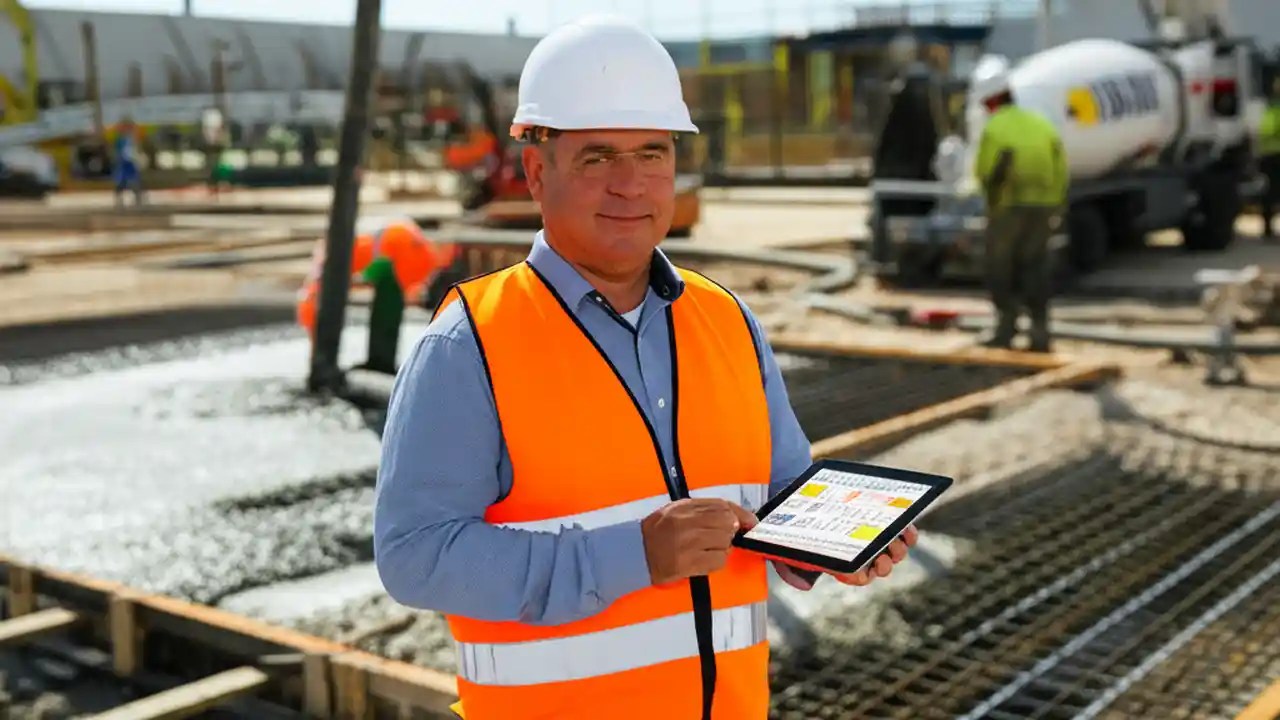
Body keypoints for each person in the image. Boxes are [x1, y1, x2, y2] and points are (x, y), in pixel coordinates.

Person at [373, 14, 918, 720]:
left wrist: (829, 547)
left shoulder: (727, 320)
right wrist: (635, 555)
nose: (631, 185)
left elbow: (779, 496)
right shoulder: (469, 344)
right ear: (538, 173)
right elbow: (416, 556)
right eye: (597, 158)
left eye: (653, 154)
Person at [973, 69, 1068, 353]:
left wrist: (989, 201)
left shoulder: (995, 127)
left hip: (1009, 205)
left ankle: (1006, 328)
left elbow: (985, 171)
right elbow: (1061, 166)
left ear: (990, 101)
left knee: (1001, 266)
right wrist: (1056, 203)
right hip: (1044, 207)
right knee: (1035, 266)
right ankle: (1040, 333)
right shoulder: (1041, 123)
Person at [1256, 79, 1280, 239]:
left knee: (1270, 192)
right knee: (1271, 192)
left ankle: (1267, 228)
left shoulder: (1269, 107)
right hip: (1274, 155)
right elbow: (1268, 130)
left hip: (1268, 155)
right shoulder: (1274, 108)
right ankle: (1267, 228)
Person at [112, 117, 145, 207]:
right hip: (124, 161)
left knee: (134, 180)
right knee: (121, 181)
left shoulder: (132, 138)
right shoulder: (120, 139)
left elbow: (137, 148)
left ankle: (138, 197)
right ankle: (119, 198)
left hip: (131, 161)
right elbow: (118, 151)